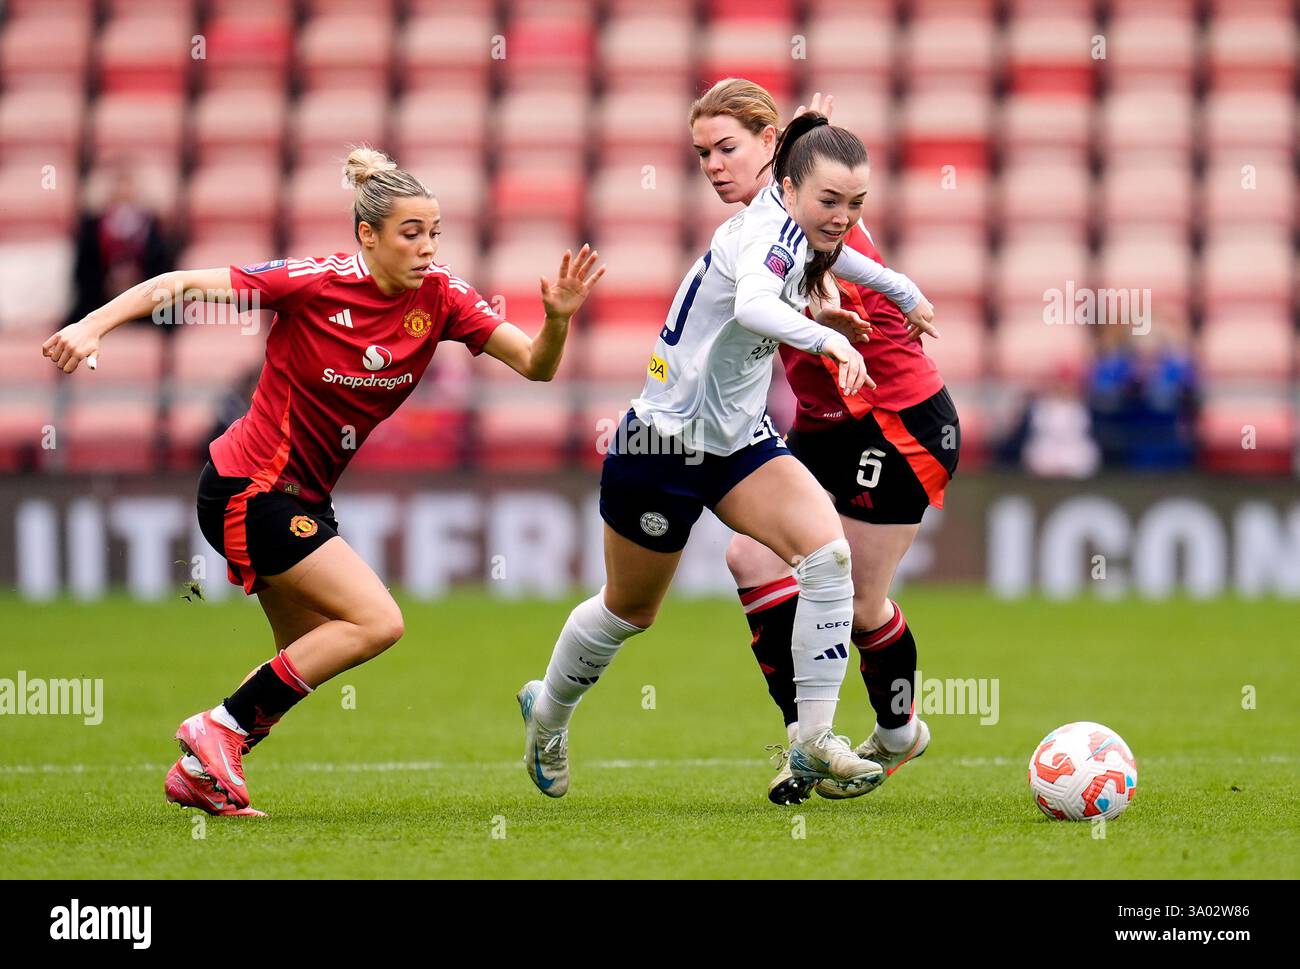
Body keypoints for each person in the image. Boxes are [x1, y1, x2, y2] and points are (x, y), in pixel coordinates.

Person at [42, 146, 605, 816]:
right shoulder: (312, 282)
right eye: (411, 233)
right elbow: (176, 284)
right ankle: (213, 729)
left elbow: (536, 367)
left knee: (299, 654)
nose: (427, 248)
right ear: (368, 236)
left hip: (303, 497)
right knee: (377, 619)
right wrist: (90, 324)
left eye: (434, 234)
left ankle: (201, 769)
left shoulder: (443, 297)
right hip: (247, 487)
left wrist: (561, 318)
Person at [517, 110, 937, 800]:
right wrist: (827, 340)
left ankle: (812, 741)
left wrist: (903, 291)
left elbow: (838, 258)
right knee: (629, 611)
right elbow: (752, 306)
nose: (842, 217)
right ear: (792, 184)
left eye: (856, 204)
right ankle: (550, 714)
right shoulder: (764, 232)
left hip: (739, 443)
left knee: (827, 555)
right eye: (830, 201)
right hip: (662, 442)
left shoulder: (794, 224)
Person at [689, 78, 959, 805]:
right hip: (821, 422)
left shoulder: (818, 216)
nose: (715, 166)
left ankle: (899, 731)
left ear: (773, 154)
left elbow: (827, 283)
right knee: (750, 553)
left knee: (860, 598)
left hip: (896, 422)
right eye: (703, 153)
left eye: (727, 150)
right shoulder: (761, 226)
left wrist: (849, 309)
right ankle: (805, 741)